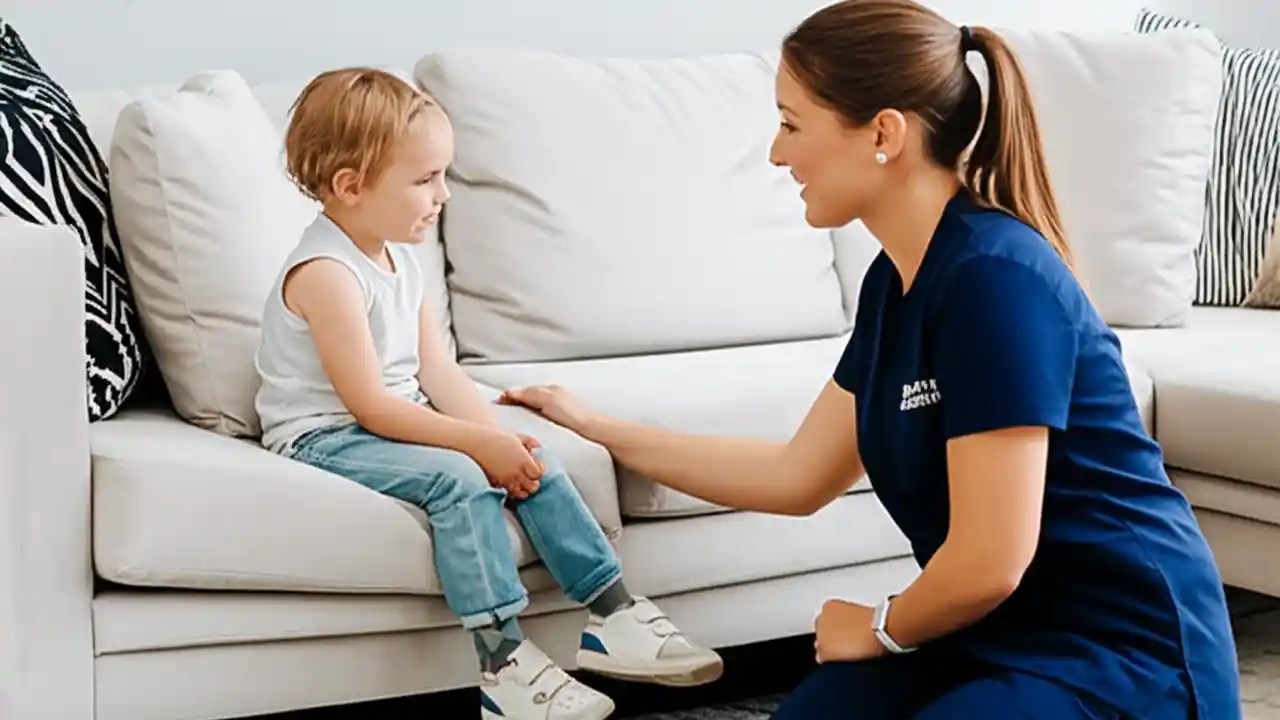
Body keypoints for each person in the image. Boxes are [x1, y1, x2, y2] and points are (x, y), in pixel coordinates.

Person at [498, 1, 1244, 717]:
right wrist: (596, 426)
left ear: (883, 132)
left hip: (1124, 650)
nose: (775, 151)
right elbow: (796, 476)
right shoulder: (895, 282)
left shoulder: (997, 278)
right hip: (992, 631)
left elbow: (990, 559)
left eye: (792, 124)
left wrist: (883, 625)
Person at [252, 67, 723, 720]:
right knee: (461, 479)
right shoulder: (327, 273)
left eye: (443, 175)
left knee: (532, 456)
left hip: (386, 420)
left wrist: (505, 443)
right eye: (424, 180)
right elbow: (369, 405)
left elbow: (437, 373)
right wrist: (477, 446)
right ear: (350, 186)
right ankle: (502, 667)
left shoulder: (399, 259)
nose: (442, 194)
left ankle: (613, 615)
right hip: (323, 434)